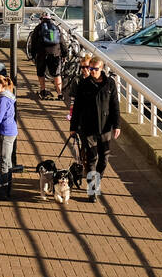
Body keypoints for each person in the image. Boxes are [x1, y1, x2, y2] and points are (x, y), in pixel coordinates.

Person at [70, 58, 119, 201]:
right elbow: (77, 107)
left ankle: (96, 180)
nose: (92, 72)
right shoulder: (84, 84)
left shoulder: (110, 83)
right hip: (88, 127)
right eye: (90, 69)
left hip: (105, 127)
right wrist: (73, 127)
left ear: (101, 69)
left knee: (104, 159)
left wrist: (117, 125)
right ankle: (92, 190)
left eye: (95, 69)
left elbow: (115, 105)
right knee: (91, 159)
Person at [27, 11, 66, 99]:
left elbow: (33, 43)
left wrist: (33, 54)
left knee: (41, 73)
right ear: (50, 19)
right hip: (55, 53)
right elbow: (62, 42)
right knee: (57, 74)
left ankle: (43, 91)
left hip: (42, 54)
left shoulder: (38, 28)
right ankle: (60, 94)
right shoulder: (56, 28)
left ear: (41, 19)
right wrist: (64, 54)